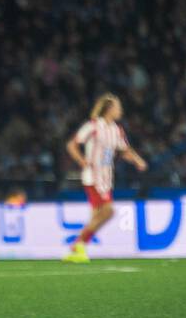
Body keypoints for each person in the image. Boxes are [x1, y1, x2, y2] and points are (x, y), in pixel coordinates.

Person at [63, 93, 147, 263]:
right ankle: (78, 244)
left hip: (107, 179)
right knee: (108, 211)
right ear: (109, 109)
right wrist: (82, 161)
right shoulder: (93, 126)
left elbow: (124, 151)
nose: (120, 110)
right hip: (93, 177)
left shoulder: (117, 130)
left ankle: (79, 250)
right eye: (118, 107)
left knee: (97, 216)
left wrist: (137, 160)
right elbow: (71, 145)